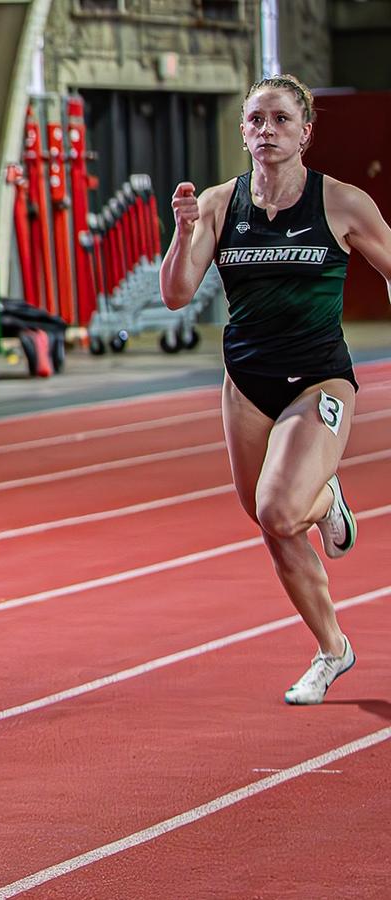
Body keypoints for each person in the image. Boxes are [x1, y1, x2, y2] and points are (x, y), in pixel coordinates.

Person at [160, 74, 391, 705]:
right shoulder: (215, 202)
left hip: (319, 375)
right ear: (243, 131)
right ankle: (332, 649)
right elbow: (177, 294)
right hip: (247, 381)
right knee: (270, 522)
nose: (267, 130)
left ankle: (322, 499)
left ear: (305, 133)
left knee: (279, 507)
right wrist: (183, 232)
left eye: (281, 120)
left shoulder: (342, 203)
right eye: (256, 120)